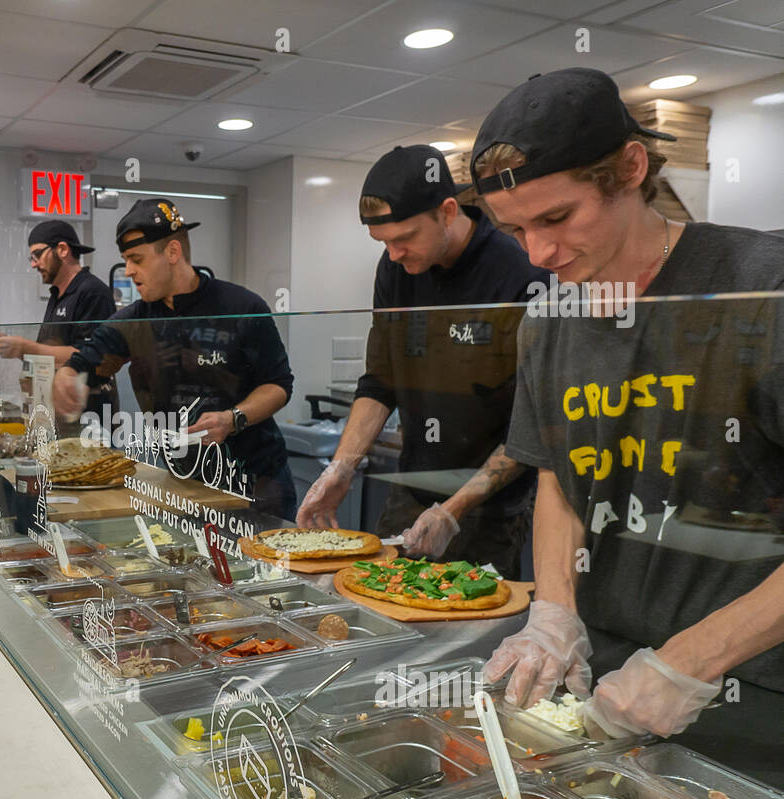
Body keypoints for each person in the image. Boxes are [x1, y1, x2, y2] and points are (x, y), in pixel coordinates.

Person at [471, 68, 784, 738]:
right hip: (610, 674)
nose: (539, 253)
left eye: (557, 217)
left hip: (754, 686)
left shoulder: (761, 287)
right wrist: (553, 614)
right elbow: (558, 474)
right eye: (514, 229)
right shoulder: (547, 323)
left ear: (631, 168)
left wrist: (689, 662)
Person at [296, 147, 549, 576]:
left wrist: (452, 511)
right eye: (383, 243)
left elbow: (532, 422)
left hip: (489, 505)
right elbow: (380, 380)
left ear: (447, 212)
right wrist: (342, 466)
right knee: (381, 608)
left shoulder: (521, 274)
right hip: (409, 487)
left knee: (464, 630)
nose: (393, 254)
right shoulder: (395, 268)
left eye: (404, 238)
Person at [53, 198, 296, 519]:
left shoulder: (241, 306)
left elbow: (278, 385)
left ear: (172, 253)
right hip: (184, 482)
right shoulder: (134, 320)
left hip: (256, 483)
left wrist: (233, 418)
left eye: (136, 259)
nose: (128, 271)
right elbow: (84, 360)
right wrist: (67, 375)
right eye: (125, 260)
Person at [0, 220, 118, 431]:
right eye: (32, 257)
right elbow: (48, 351)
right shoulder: (57, 295)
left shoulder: (92, 292)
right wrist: (14, 348)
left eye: (37, 255)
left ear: (62, 250)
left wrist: (25, 347)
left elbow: (88, 356)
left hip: (88, 416)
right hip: (58, 414)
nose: (33, 264)